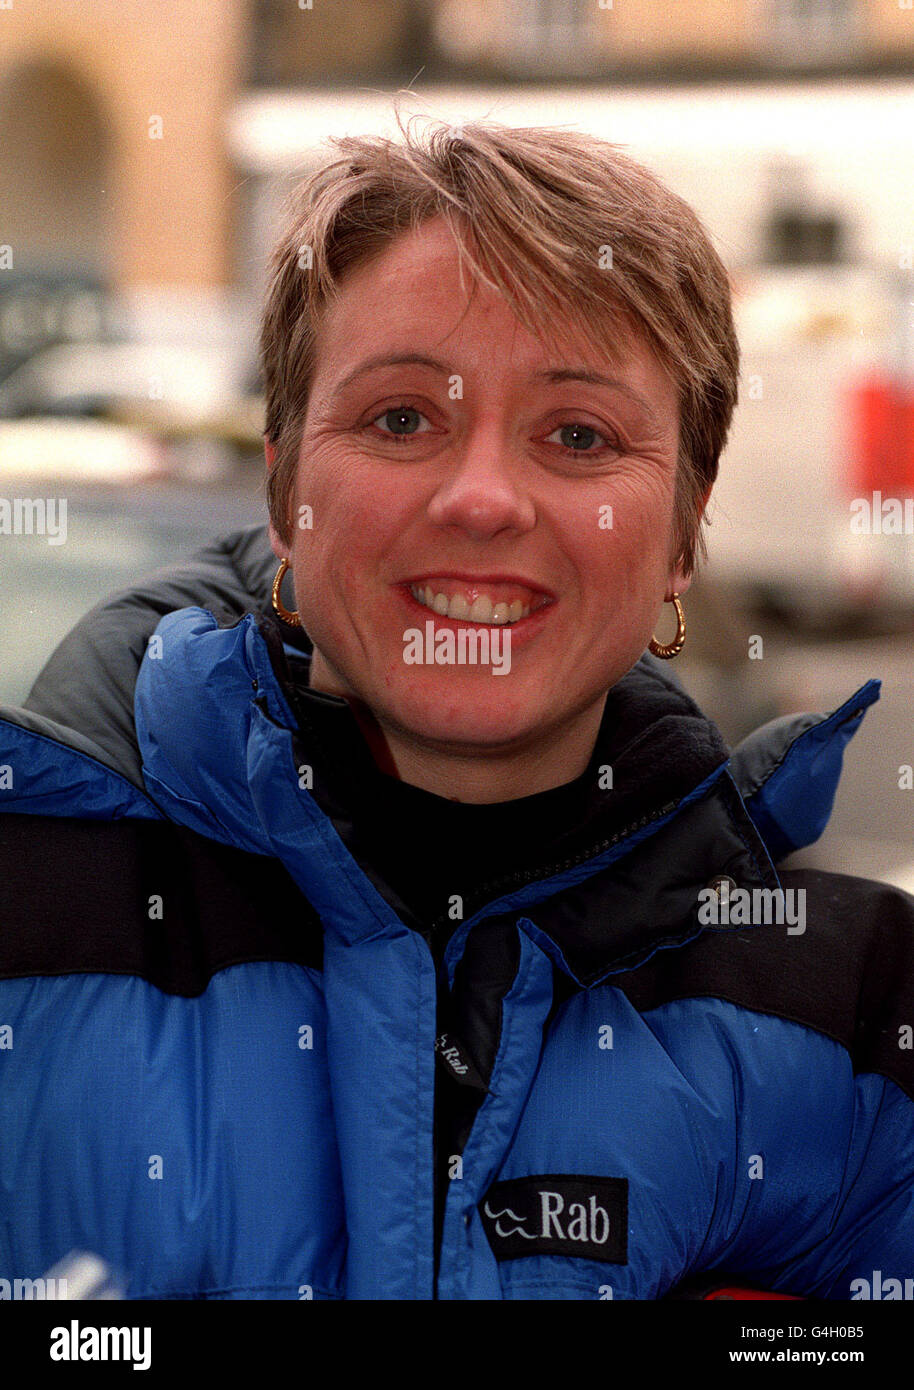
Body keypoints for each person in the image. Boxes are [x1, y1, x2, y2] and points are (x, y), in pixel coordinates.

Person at [1, 117, 913, 1303]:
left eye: (577, 434)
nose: (481, 498)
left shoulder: (851, 1030)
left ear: (684, 532)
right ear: (283, 495)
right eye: (399, 419)